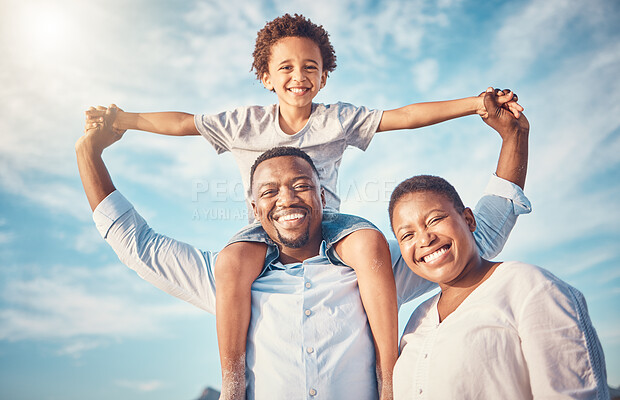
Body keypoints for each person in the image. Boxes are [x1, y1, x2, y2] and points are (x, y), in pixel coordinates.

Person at [85, 13, 523, 397]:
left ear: (324, 76)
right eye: (287, 67)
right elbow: (181, 126)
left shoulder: (337, 121)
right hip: (260, 239)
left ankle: (391, 379)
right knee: (232, 259)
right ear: (266, 76)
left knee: (369, 243)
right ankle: (232, 386)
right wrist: (118, 124)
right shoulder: (243, 125)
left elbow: (403, 118)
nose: (299, 76)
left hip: (334, 226)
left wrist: (476, 107)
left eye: (310, 67)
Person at [388, 103, 608, 398]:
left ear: (468, 219)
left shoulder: (529, 288)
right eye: (408, 235)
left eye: (436, 219)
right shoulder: (417, 321)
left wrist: (514, 136)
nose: (425, 239)